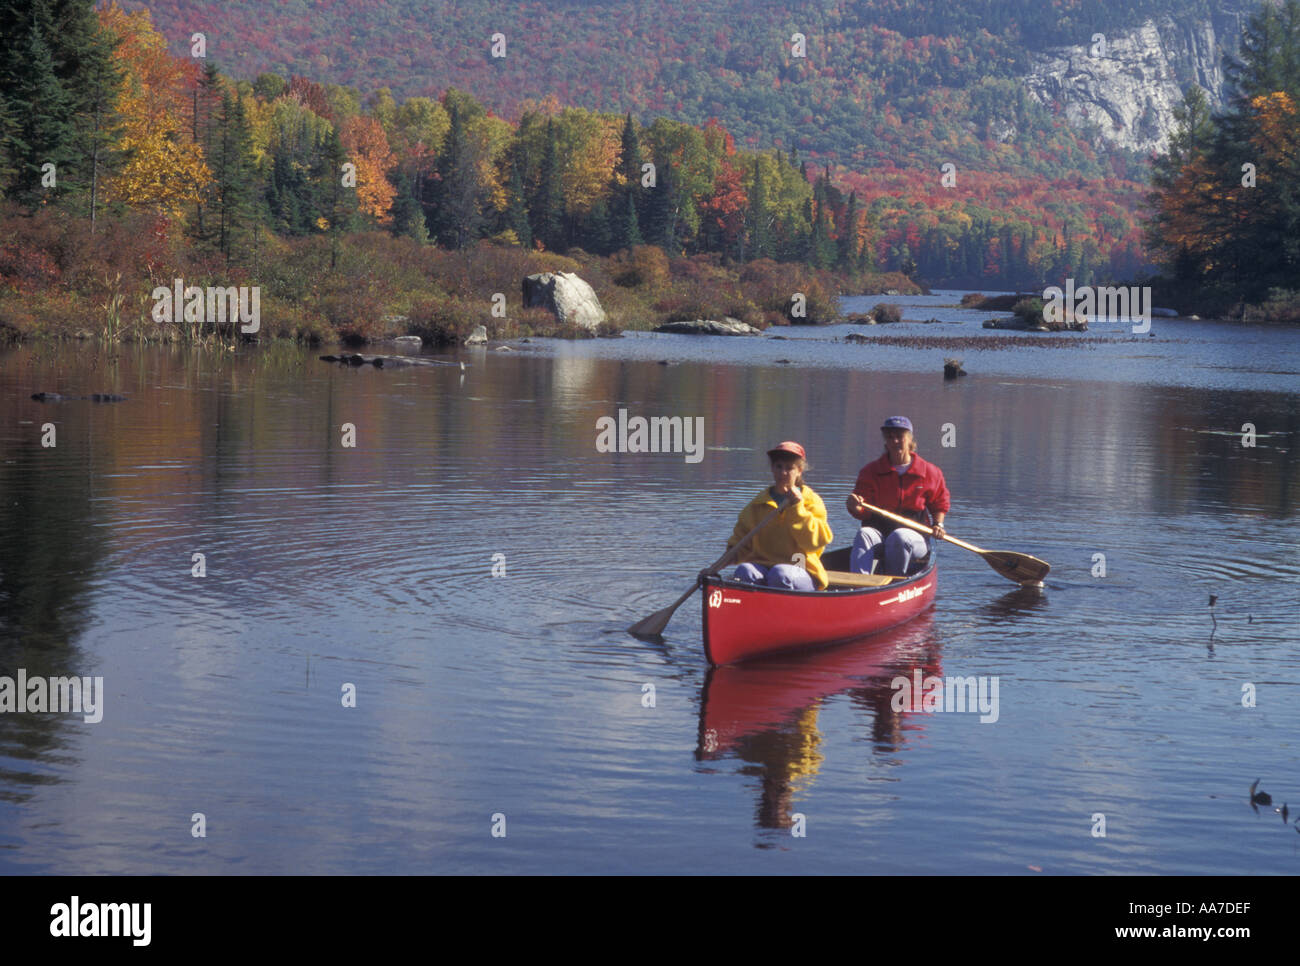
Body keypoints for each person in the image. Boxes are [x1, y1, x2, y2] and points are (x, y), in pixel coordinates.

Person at [720, 441, 833, 591]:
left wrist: (796, 508)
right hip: (764, 568)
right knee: (744, 571)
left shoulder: (812, 502)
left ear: (799, 470)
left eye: (789, 468)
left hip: (801, 569)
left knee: (780, 574)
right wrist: (716, 568)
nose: (783, 473)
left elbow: (815, 542)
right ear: (772, 469)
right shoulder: (758, 504)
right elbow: (740, 545)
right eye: (778, 466)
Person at [846, 417, 950, 576]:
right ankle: (859, 585)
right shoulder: (870, 472)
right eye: (890, 437)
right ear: (885, 441)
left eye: (899, 437)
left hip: (916, 537)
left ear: (910, 439)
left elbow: (939, 503)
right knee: (863, 534)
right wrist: (854, 507)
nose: (894, 441)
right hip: (880, 533)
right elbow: (862, 511)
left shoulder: (930, 472)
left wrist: (938, 525)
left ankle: (892, 583)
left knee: (899, 537)